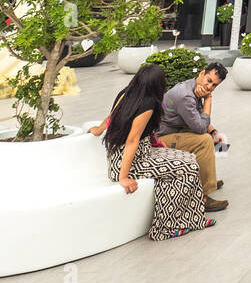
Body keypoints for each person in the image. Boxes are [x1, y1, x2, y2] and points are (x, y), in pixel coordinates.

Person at [87, 64, 213, 240]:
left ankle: (193, 219)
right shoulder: (148, 104)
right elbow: (132, 140)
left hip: (137, 153)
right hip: (130, 162)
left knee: (189, 159)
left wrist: (100, 129)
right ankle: (164, 228)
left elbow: (111, 117)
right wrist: (123, 177)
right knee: (186, 168)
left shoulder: (127, 92)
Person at [156, 61, 229, 212]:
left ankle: (209, 179)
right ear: (202, 73)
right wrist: (209, 100)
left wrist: (214, 131)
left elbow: (198, 117)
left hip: (176, 130)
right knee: (204, 141)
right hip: (161, 139)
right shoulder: (186, 95)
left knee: (217, 139)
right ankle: (201, 198)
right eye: (209, 81)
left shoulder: (194, 87)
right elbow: (201, 128)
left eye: (214, 85)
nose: (210, 87)